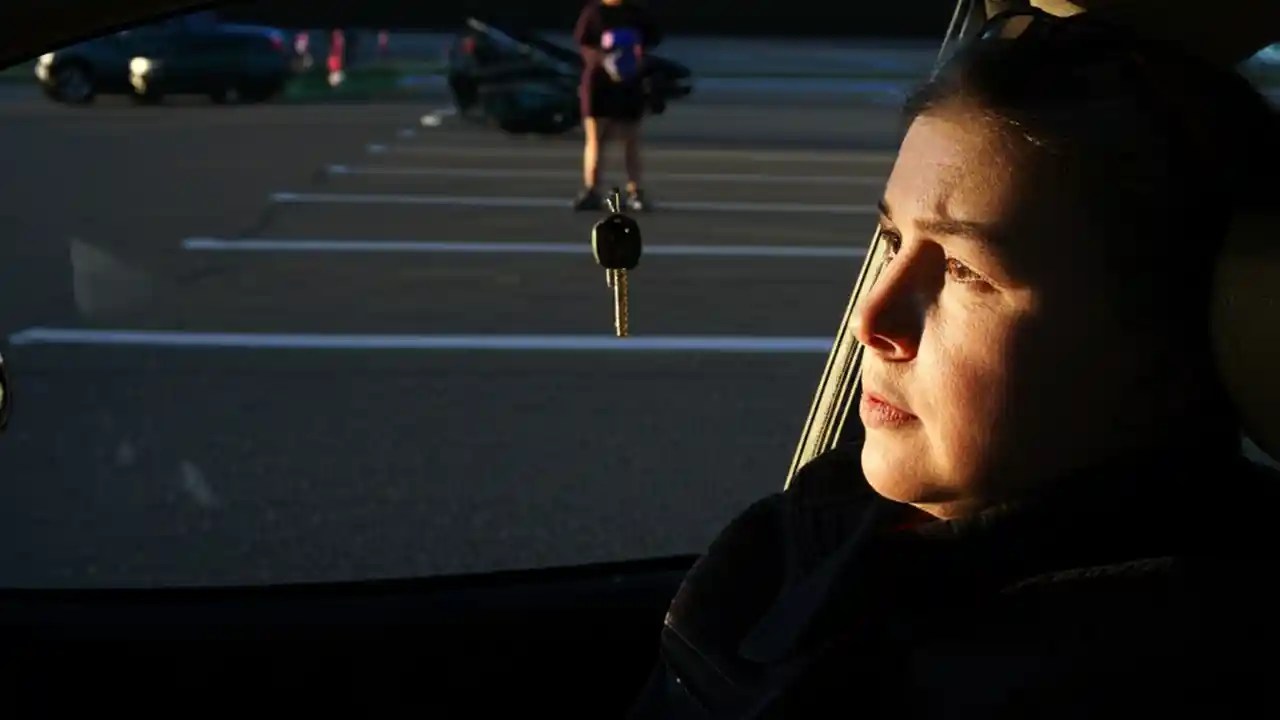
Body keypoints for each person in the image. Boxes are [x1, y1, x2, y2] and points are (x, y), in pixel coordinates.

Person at [626, 9, 1280, 719]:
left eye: (966, 271)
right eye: (890, 237)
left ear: (1171, 337)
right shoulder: (807, 530)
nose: (869, 320)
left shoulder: (1146, 663)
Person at [572, 0, 662, 212]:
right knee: (596, 139)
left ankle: (635, 191)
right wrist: (604, 60)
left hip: (630, 84)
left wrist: (635, 60)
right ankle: (592, 190)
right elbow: (584, 44)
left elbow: (651, 41)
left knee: (630, 140)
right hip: (599, 83)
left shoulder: (637, 13)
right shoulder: (594, 13)